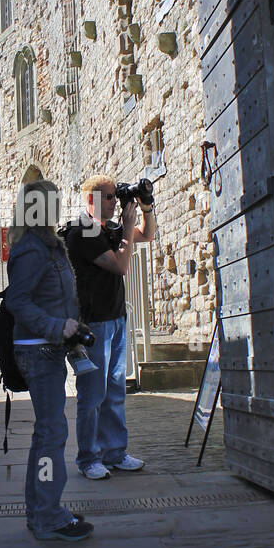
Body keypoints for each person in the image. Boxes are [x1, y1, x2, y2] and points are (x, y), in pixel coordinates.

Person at [2, 180, 94, 542]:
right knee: (51, 432)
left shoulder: (50, 245)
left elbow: (57, 298)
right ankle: (48, 517)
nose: (58, 207)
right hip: (37, 350)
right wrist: (58, 326)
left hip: (51, 346)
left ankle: (42, 510)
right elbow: (18, 302)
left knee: (48, 432)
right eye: (51, 202)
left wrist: (75, 328)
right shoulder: (31, 250)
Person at [61, 173, 156, 479]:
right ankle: (89, 459)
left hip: (116, 319)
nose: (116, 202)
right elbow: (120, 265)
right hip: (93, 325)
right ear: (91, 200)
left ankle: (115, 453)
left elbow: (146, 234)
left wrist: (146, 208)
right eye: (110, 197)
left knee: (115, 390)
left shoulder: (110, 228)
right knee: (92, 395)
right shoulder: (81, 232)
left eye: (116, 196)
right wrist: (128, 229)